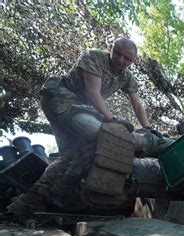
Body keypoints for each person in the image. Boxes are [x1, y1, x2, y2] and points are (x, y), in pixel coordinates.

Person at [8, 37, 154, 215]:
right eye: (117, 53)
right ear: (110, 48)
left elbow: (137, 104)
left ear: (134, 61)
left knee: (75, 156)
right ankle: (37, 200)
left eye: (127, 58)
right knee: (90, 139)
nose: (120, 60)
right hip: (60, 98)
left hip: (80, 109)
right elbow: (93, 93)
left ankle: (49, 197)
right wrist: (112, 118)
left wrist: (148, 129)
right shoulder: (94, 57)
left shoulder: (127, 77)